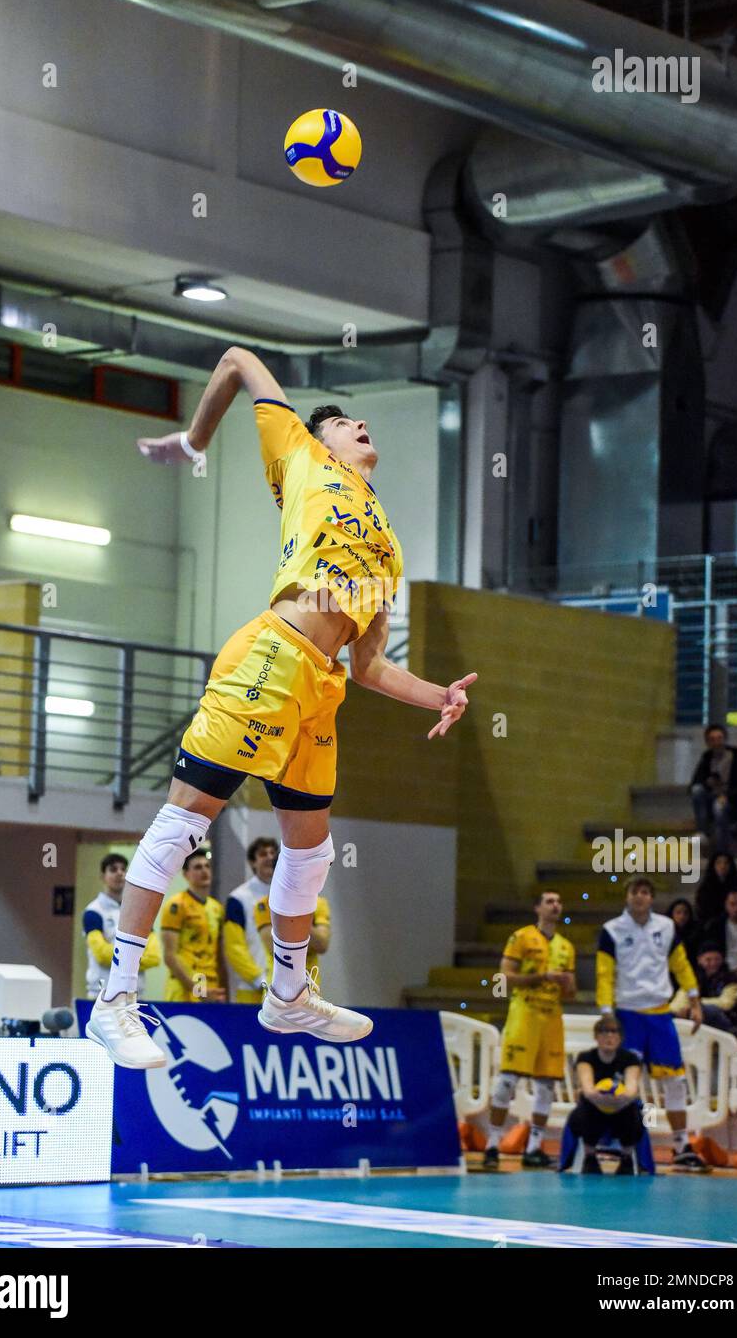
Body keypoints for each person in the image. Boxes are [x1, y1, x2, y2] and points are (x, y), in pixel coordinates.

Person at [87, 346, 477, 1068]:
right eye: (344, 421)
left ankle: (287, 994)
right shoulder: (299, 454)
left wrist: (439, 694)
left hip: (322, 686)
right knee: (183, 825)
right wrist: (193, 441)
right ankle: (115, 1001)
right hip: (271, 658)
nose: (358, 424)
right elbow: (237, 359)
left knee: (310, 849)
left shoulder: (385, 547)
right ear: (316, 438)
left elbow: (370, 666)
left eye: (360, 422)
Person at [596, 875, 709, 1171]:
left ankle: (681, 1146)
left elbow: (681, 966)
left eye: (646, 892)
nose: (640, 897)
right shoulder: (611, 931)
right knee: (623, 1081)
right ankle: (618, 1140)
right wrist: (607, 1012)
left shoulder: (667, 926)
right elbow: (604, 974)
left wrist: (695, 1002)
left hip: (660, 1014)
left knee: (676, 1080)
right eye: (635, 891)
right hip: (627, 1014)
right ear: (627, 896)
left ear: (652, 898)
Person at [483, 890, 576, 1171]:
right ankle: (492, 1144)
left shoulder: (566, 946)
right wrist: (541, 977)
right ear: (537, 907)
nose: (555, 905)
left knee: (547, 1085)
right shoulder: (521, 937)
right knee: (507, 1082)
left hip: (552, 1017)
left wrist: (564, 983)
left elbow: (571, 992)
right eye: (549, 901)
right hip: (524, 1013)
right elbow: (503, 979)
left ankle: (534, 1147)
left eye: (559, 901)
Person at [563, 1015, 644, 1175]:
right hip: (595, 1106)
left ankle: (627, 1157)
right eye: (604, 1032)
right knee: (585, 1106)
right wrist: (601, 1100)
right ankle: (589, 1156)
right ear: (596, 1037)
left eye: (614, 1032)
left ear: (620, 1037)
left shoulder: (630, 1058)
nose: (609, 1037)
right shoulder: (585, 1058)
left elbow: (631, 1090)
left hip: (622, 1107)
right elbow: (588, 1089)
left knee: (645, 1111)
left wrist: (618, 1102)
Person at [81, 853, 160, 1000]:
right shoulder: (93, 912)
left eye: (123, 869)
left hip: (134, 996)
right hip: (102, 995)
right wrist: (134, 957)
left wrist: (122, 957)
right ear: (102, 876)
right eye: (113, 869)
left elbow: (154, 956)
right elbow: (101, 954)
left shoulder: (139, 911)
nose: (119, 873)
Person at [160, 847, 226, 1002]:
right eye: (197, 867)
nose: (204, 871)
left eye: (207, 866)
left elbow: (219, 954)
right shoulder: (176, 905)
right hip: (185, 986)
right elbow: (169, 956)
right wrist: (199, 990)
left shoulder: (217, 908)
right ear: (186, 874)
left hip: (211, 984)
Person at [223, 836, 278, 1005]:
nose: (269, 857)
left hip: (285, 988)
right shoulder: (238, 899)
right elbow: (234, 946)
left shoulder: (291, 896)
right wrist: (259, 980)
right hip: (251, 989)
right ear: (253, 862)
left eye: (272, 853)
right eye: (263, 854)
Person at [689, 724, 737, 850]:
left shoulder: (735, 757)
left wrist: (726, 796)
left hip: (730, 798)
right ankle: (702, 832)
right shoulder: (706, 758)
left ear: (725, 739)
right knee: (697, 790)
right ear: (708, 742)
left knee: (719, 808)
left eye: (719, 738)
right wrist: (707, 783)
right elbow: (694, 783)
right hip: (711, 796)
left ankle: (721, 851)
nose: (717, 742)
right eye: (712, 739)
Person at [670, 943, 737, 1033]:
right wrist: (676, 1010)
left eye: (717, 959)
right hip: (696, 1017)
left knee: (709, 1011)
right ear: (699, 960)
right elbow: (682, 997)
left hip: (724, 1019)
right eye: (708, 960)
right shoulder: (694, 978)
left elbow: (726, 1003)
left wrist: (696, 1004)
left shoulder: (730, 978)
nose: (713, 963)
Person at [693, 851, 737, 926]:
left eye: (726, 863)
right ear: (713, 866)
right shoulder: (705, 888)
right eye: (719, 863)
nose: (722, 866)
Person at [666, 898, 699, 968]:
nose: (682, 916)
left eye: (686, 913)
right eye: (678, 913)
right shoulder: (665, 932)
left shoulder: (697, 933)